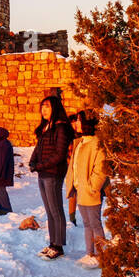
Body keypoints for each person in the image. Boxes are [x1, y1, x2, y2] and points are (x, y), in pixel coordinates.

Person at [28, 94, 74, 259]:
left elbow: (60, 154)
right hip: (42, 173)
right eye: (42, 106)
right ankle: (52, 243)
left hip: (53, 174)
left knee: (56, 210)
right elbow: (38, 148)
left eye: (47, 106)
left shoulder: (61, 128)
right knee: (49, 211)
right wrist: (33, 161)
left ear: (55, 107)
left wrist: (39, 165)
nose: (43, 109)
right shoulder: (45, 128)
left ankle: (59, 246)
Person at [65, 110, 109, 263]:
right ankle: (90, 254)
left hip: (90, 191)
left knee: (95, 224)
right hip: (80, 190)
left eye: (78, 120)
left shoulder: (96, 143)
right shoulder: (80, 142)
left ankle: (102, 256)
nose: (76, 123)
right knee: (87, 224)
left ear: (87, 123)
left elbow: (102, 169)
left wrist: (92, 187)